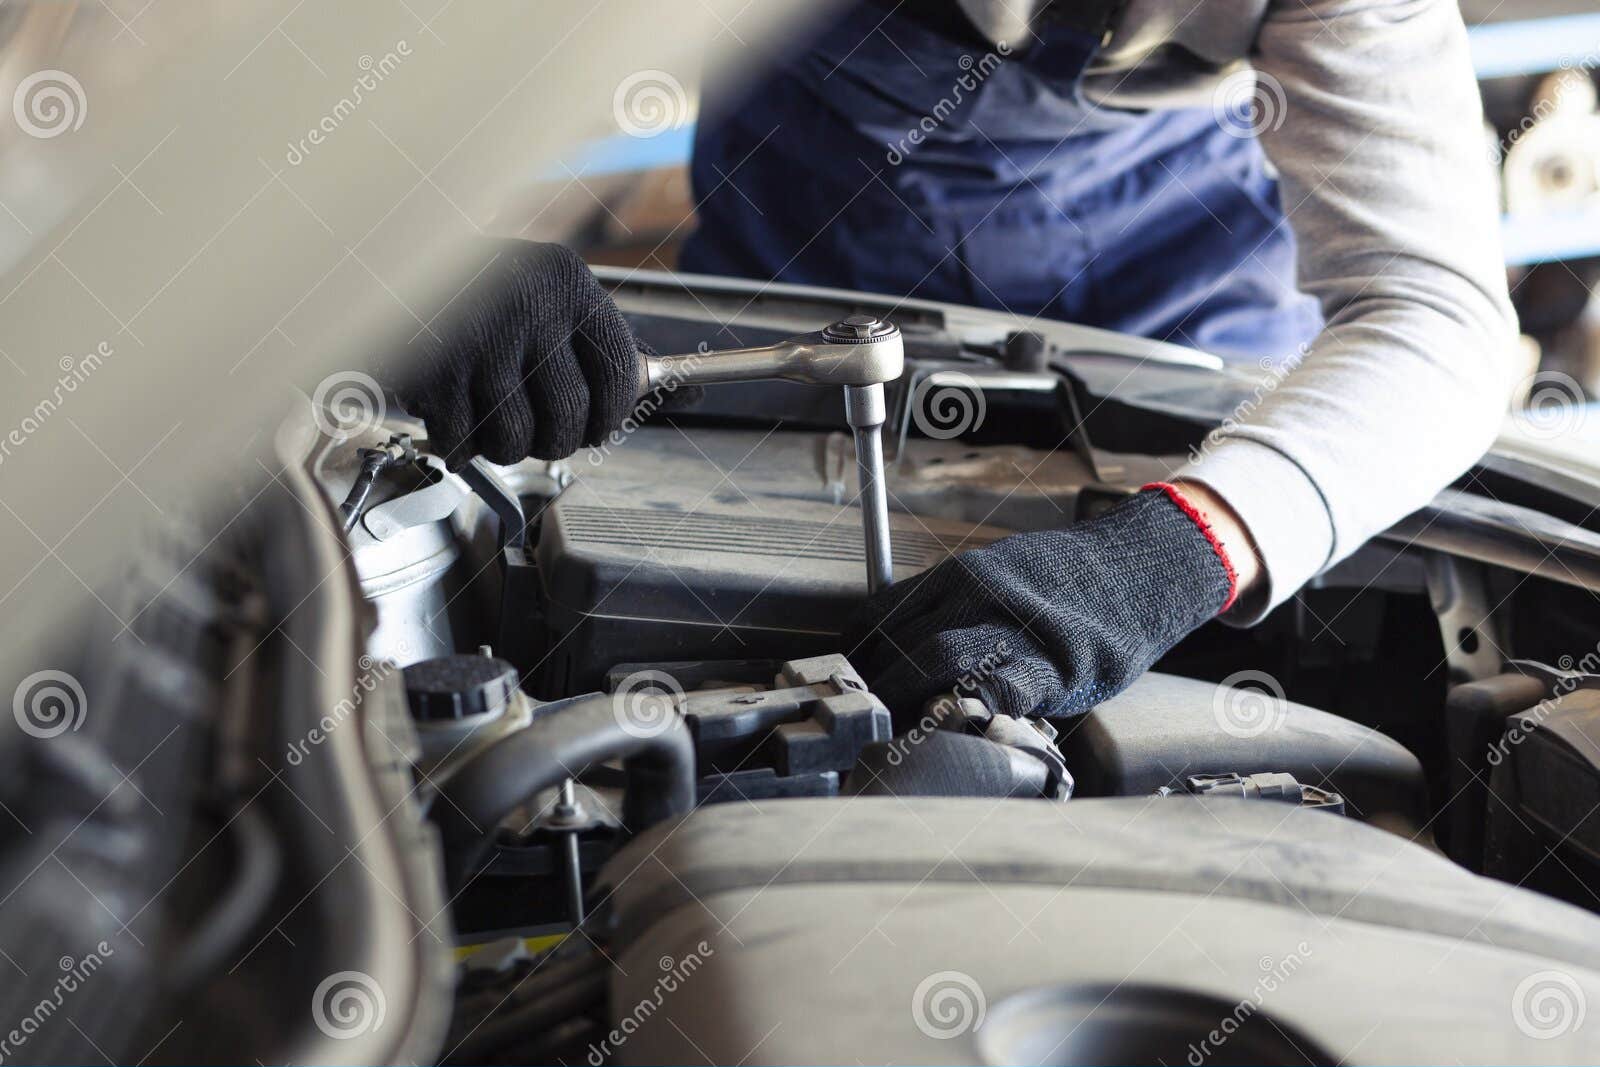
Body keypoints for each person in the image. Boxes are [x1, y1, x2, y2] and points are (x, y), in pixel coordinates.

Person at [399, 0, 1516, 723]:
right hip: (800, 250)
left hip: (1176, 288)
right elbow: (349, 68)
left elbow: (1437, 318)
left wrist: (1167, 558)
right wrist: (425, 250)